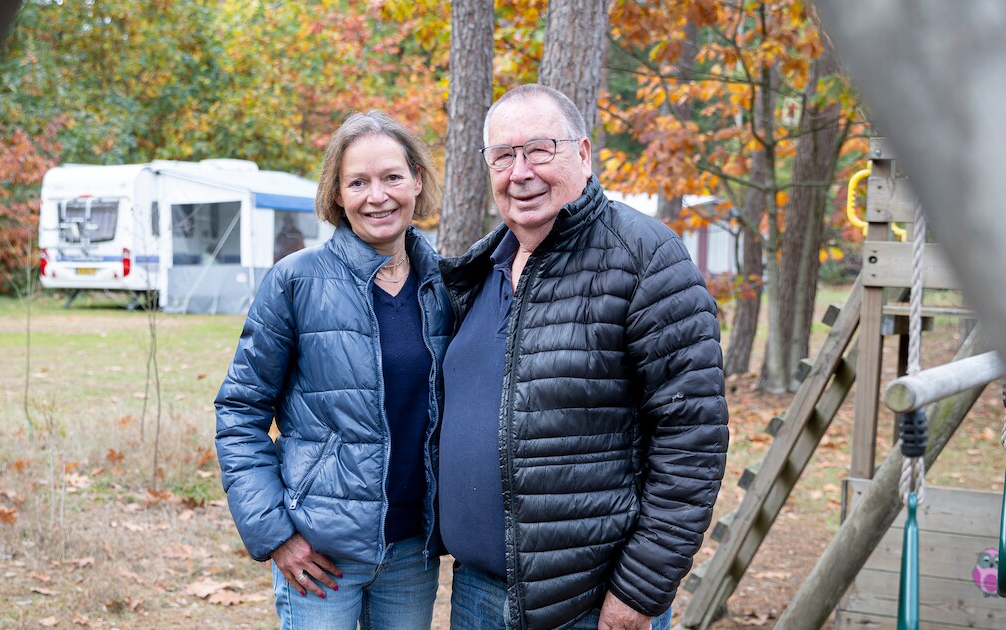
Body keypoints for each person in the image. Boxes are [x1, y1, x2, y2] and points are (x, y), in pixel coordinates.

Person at [438, 84, 729, 630]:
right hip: (478, 593)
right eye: (502, 156)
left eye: (539, 150)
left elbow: (692, 444)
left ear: (584, 153)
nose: (520, 172)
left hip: (588, 602)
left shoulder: (645, 258)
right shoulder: (481, 271)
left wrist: (639, 595)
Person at [214, 110, 451, 629]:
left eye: (392, 177)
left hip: (411, 550)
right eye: (358, 182)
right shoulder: (295, 281)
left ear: (416, 179)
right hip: (320, 553)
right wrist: (275, 534)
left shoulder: (445, 285)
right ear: (337, 195)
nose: (378, 195)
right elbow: (239, 410)